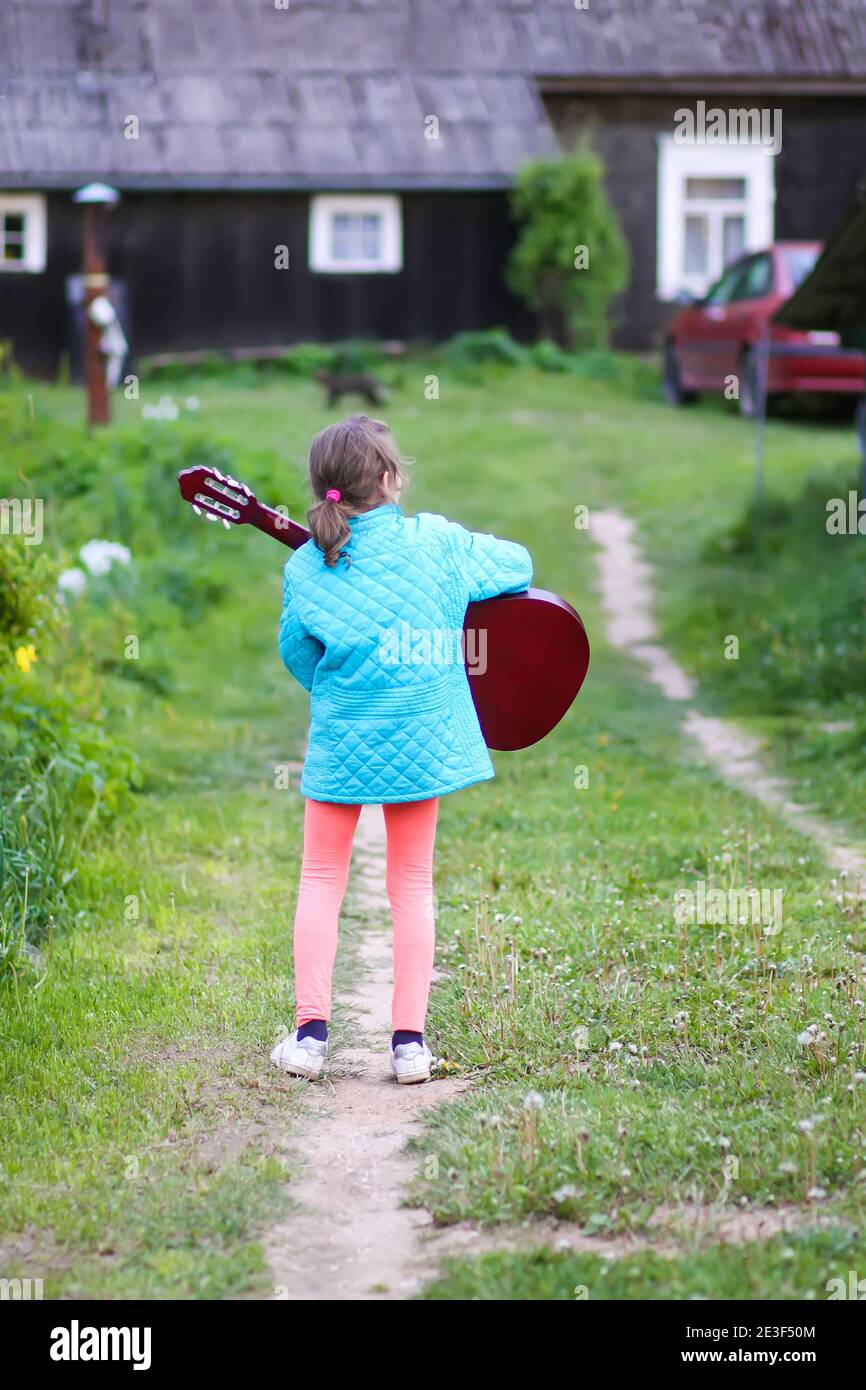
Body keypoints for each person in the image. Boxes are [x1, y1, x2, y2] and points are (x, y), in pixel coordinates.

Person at [271, 415, 532, 1084]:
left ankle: (309, 1036)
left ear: (324, 487)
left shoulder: (306, 565)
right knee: (410, 884)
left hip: (341, 742)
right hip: (421, 742)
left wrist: (344, 691)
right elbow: (518, 566)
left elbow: (297, 652)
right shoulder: (438, 543)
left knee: (321, 880)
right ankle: (409, 1045)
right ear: (389, 478)